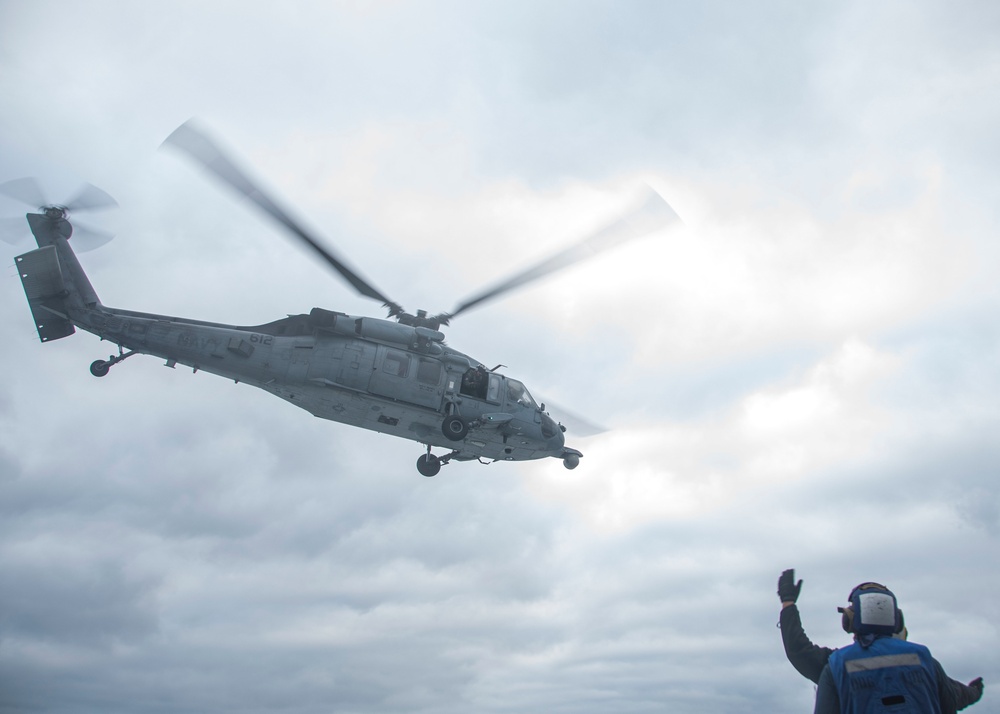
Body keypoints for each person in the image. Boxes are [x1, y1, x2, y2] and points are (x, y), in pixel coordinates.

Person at [777, 570, 984, 713]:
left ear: (849, 620)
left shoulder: (837, 666)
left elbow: (799, 650)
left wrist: (788, 603)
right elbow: (956, 695)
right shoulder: (925, 660)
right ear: (897, 619)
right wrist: (975, 691)